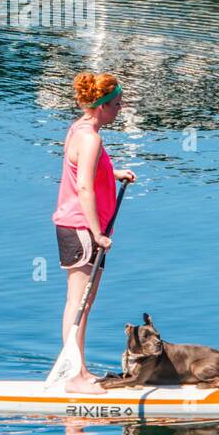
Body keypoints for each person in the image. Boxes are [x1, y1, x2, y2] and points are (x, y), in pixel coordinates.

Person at [52, 71, 135, 392]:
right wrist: (98, 233)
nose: (120, 108)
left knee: (79, 302)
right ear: (101, 106)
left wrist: (113, 173)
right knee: (79, 303)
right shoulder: (91, 138)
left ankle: (78, 370)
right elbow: (84, 185)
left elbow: (80, 169)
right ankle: (74, 376)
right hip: (82, 228)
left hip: (74, 225)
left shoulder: (79, 128)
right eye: (116, 104)